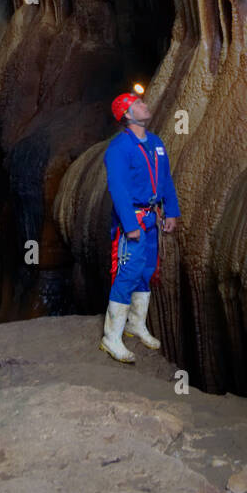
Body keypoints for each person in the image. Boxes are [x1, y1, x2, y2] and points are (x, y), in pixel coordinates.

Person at [100, 90, 180, 363]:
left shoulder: (156, 143)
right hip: (133, 220)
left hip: (151, 219)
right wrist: (129, 223)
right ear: (126, 115)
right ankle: (111, 337)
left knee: (146, 270)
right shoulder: (119, 148)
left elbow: (166, 179)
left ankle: (136, 324)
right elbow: (118, 188)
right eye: (138, 104)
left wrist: (171, 211)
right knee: (128, 272)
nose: (145, 106)